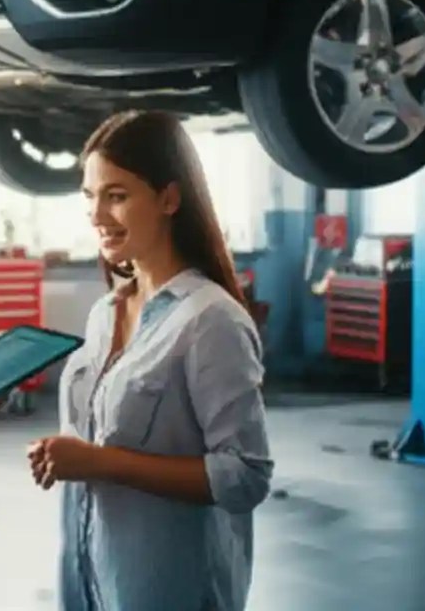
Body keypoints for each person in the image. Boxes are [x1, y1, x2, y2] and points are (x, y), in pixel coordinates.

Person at [27, 110, 274, 611]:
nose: (97, 215)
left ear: (169, 198)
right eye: (90, 197)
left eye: (116, 196)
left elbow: (244, 475)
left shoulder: (210, 320)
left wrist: (100, 462)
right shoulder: (105, 312)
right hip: (95, 580)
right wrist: (65, 453)